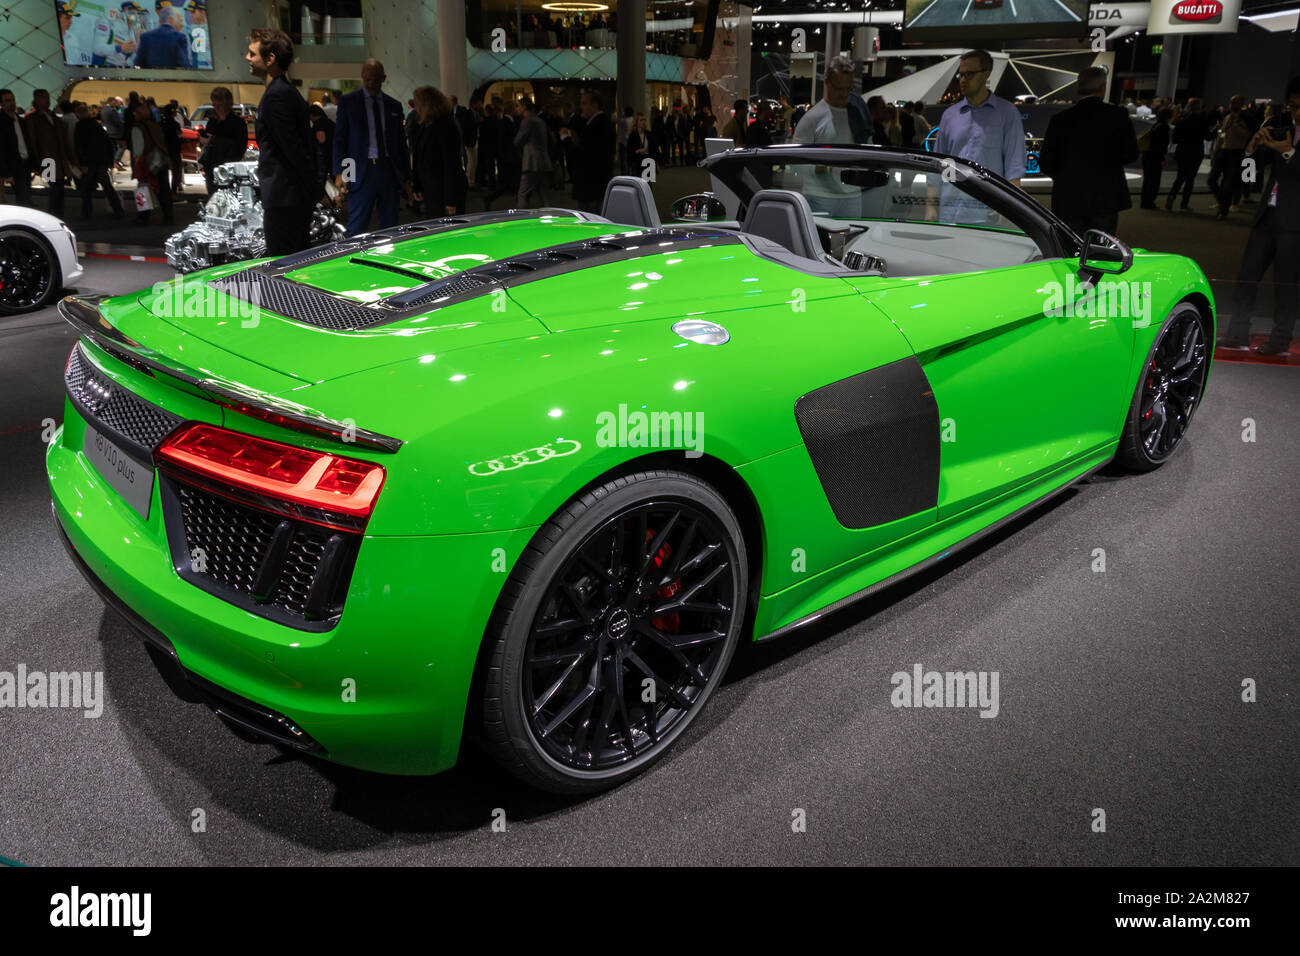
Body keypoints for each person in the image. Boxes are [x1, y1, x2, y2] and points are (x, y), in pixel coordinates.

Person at [1217, 77, 1300, 356]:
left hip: (1295, 224)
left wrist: (1288, 153)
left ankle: (1280, 340)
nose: (1297, 112)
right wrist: (1251, 151)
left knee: (1286, 284)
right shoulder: (1281, 130)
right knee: (1246, 276)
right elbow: (1249, 178)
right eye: (1293, 106)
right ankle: (1237, 334)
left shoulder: (1286, 140)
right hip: (1267, 217)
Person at [1037, 66, 1138, 237]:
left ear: (1079, 87)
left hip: (1068, 196)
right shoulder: (1118, 116)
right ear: (1103, 87)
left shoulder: (1061, 120)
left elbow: (1046, 161)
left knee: (1070, 247)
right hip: (1106, 197)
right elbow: (1130, 154)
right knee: (1101, 250)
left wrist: (1065, 177)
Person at [247, 27, 321, 255]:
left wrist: (316, 189)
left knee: (285, 268)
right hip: (288, 197)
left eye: (252, 53)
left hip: (286, 200)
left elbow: (294, 150)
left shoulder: (277, 95)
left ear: (270, 59)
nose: (247, 58)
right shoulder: (283, 92)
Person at [333, 58, 410, 235]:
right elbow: (341, 141)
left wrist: (406, 178)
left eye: (375, 80)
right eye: (367, 79)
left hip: (388, 169)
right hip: (360, 170)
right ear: (362, 77)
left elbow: (400, 144)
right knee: (356, 226)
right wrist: (342, 174)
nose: (371, 84)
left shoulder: (394, 106)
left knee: (391, 227)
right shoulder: (348, 102)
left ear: (383, 78)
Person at [934, 50, 1026, 186]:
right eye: (961, 75)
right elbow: (940, 162)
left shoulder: (1007, 113)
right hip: (952, 203)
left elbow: (1014, 168)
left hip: (989, 205)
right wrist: (931, 203)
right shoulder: (949, 115)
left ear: (986, 74)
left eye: (969, 74)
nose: (963, 80)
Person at [793, 56, 863, 217]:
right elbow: (796, 162)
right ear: (827, 82)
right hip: (819, 197)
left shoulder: (858, 115)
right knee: (818, 242)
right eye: (839, 88)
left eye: (848, 88)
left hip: (853, 196)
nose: (844, 94)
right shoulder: (811, 118)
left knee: (853, 242)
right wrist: (825, 167)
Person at [410, 85, 468, 217]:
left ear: (427, 104)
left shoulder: (446, 126)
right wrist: (417, 185)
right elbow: (419, 157)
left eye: (417, 103)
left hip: (444, 191)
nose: (416, 107)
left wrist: (450, 200)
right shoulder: (426, 125)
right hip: (432, 190)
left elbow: (451, 165)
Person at [563, 89, 615, 214]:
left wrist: (565, 139)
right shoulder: (598, 123)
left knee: (591, 219)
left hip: (591, 184)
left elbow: (584, 153)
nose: (581, 107)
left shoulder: (598, 124)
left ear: (594, 105)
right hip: (594, 183)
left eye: (584, 103)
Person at [74, 103, 124, 219]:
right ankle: (118, 210)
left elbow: (79, 146)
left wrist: (81, 162)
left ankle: (86, 213)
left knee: (86, 190)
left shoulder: (80, 126)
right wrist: (109, 160)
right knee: (107, 187)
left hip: (88, 162)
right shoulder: (96, 125)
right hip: (100, 161)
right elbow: (106, 143)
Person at [25, 89, 71, 217]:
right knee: (55, 187)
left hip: (58, 157)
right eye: (43, 98)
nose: (47, 100)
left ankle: (57, 213)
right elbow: (33, 142)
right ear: (37, 100)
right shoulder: (33, 119)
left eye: (47, 97)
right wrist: (36, 162)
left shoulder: (53, 116)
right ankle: (54, 214)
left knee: (59, 187)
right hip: (47, 159)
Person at [1165, 98, 1214, 211]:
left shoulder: (1182, 120)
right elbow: (1208, 137)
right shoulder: (1202, 121)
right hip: (1196, 152)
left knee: (1180, 177)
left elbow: (1175, 139)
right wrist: (1215, 131)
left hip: (1183, 151)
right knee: (1190, 179)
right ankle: (1184, 204)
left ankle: (1171, 197)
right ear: (1200, 108)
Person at [197, 86, 247, 195]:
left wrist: (215, 139)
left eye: (219, 105)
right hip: (211, 168)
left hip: (228, 170)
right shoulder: (213, 121)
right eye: (214, 105)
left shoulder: (237, 123)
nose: (216, 108)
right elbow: (208, 139)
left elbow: (240, 147)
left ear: (228, 104)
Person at [129, 100, 171, 224]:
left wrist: (136, 164)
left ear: (139, 114)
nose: (134, 115)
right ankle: (168, 217)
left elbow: (138, 148)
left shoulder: (137, 127)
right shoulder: (156, 125)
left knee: (142, 189)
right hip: (160, 160)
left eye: (135, 113)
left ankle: (143, 217)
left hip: (146, 161)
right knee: (163, 190)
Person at [1208, 95, 1250, 220]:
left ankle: (1224, 209)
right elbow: (1222, 135)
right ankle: (1223, 202)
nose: (1231, 105)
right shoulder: (1227, 117)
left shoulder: (1245, 119)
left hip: (1236, 152)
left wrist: (1237, 125)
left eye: (1234, 103)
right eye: (1231, 102)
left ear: (1241, 104)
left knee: (1228, 183)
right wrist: (1215, 152)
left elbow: (1246, 136)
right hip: (1223, 151)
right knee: (1211, 179)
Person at [514, 96, 551, 208]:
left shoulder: (527, 121)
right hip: (544, 161)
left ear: (524, 106)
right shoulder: (540, 121)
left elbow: (518, 141)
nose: (517, 109)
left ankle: (522, 218)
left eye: (519, 106)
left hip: (531, 162)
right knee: (544, 195)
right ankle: (549, 217)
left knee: (523, 194)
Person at [0, 89, 34, 206]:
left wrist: (33, 164)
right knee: (23, 197)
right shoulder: (2, 122)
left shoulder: (21, 121)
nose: (12, 103)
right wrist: (5, 173)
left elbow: (27, 142)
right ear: (1, 104)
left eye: (13, 100)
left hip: (25, 163)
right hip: (14, 165)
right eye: (8, 100)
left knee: (26, 195)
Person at [136, 4, 192, 68]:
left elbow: (138, 63)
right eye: (180, 20)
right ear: (171, 19)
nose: (182, 25)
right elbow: (183, 64)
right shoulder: (179, 37)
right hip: (172, 77)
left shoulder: (145, 37)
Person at [1140, 107, 1173, 210]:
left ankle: (1145, 202)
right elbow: (1162, 145)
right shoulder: (1164, 127)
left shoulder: (1155, 125)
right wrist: (1162, 159)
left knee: (1147, 180)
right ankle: (1149, 202)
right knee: (1154, 181)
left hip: (1148, 156)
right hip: (1155, 158)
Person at [308, 103, 334, 194]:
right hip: (332, 154)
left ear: (312, 115)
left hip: (324, 156)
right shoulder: (328, 121)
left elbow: (321, 139)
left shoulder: (319, 124)